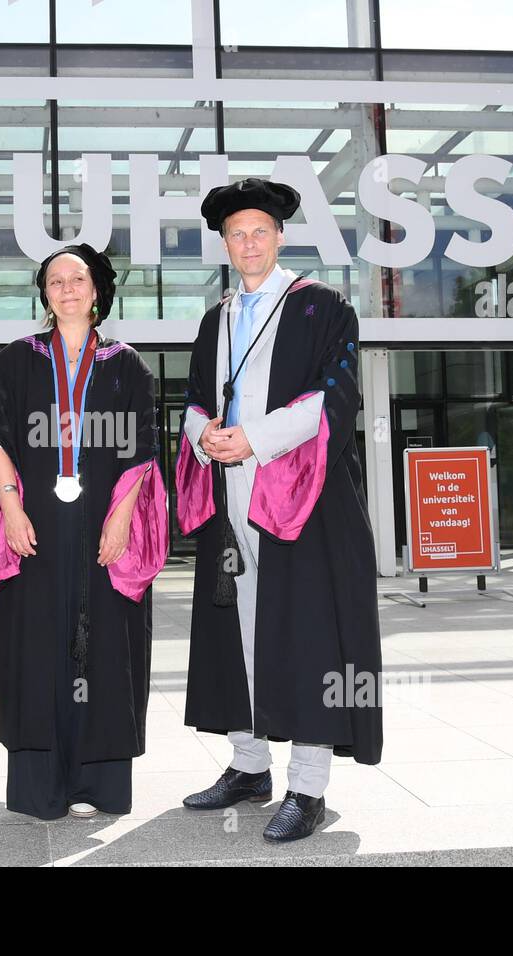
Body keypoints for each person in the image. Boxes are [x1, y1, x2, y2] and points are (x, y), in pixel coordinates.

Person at [176, 178, 383, 842]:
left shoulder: (324, 308)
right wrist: (204, 437)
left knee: (307, 634)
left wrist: (255, 438)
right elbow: (192, 400)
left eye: (260, 230)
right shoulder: (217, 318)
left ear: (281, 236)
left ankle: (308, 785)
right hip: (228, 492)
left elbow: (334, 399)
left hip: (303, 498)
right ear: (226, 243)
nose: (249, 242)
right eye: (237, 233)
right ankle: (249, 766)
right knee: (234, 630)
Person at [0, 243, 168, 820]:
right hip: (34, 529)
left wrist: (119, 518)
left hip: (103, 530)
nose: (66, 288)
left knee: (107, 645)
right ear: (45, 293)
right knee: (36, 647)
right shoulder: (16, 360)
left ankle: (102, 780)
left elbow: (143, 449)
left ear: (97, 291)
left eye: (77, 279)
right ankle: (42, 785)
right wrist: (10, 509)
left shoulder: (126, 364)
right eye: (55, 280)